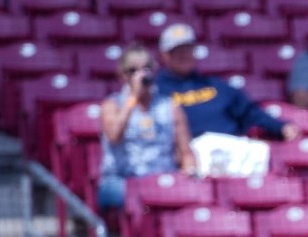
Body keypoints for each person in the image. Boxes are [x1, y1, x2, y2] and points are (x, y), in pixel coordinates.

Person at [155, 24, 297, 142]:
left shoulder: (216, 85)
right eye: (177, 51)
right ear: (165, 56)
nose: (184, 55)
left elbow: (250, 112)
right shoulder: (156, 90)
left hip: (229, 147)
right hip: (188, 152)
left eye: (187, 49)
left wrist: (280, 126)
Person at [97, 45, 193, 211]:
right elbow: (114, 135)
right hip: (123, 180)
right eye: (132, 70)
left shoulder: (170, 106)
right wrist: (133, 98)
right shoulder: (112, 105)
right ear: (122, 75)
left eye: (146, 69)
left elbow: (185, 152)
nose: (140, 75)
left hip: (162, 177)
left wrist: (189, 173)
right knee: (137, 195)